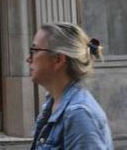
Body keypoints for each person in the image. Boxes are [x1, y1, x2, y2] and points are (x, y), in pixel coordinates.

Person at [27, 22, 112, 150]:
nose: (28, 58)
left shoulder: (79, 114)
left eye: (34, 50)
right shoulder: (52, 104)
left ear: (58, 60)